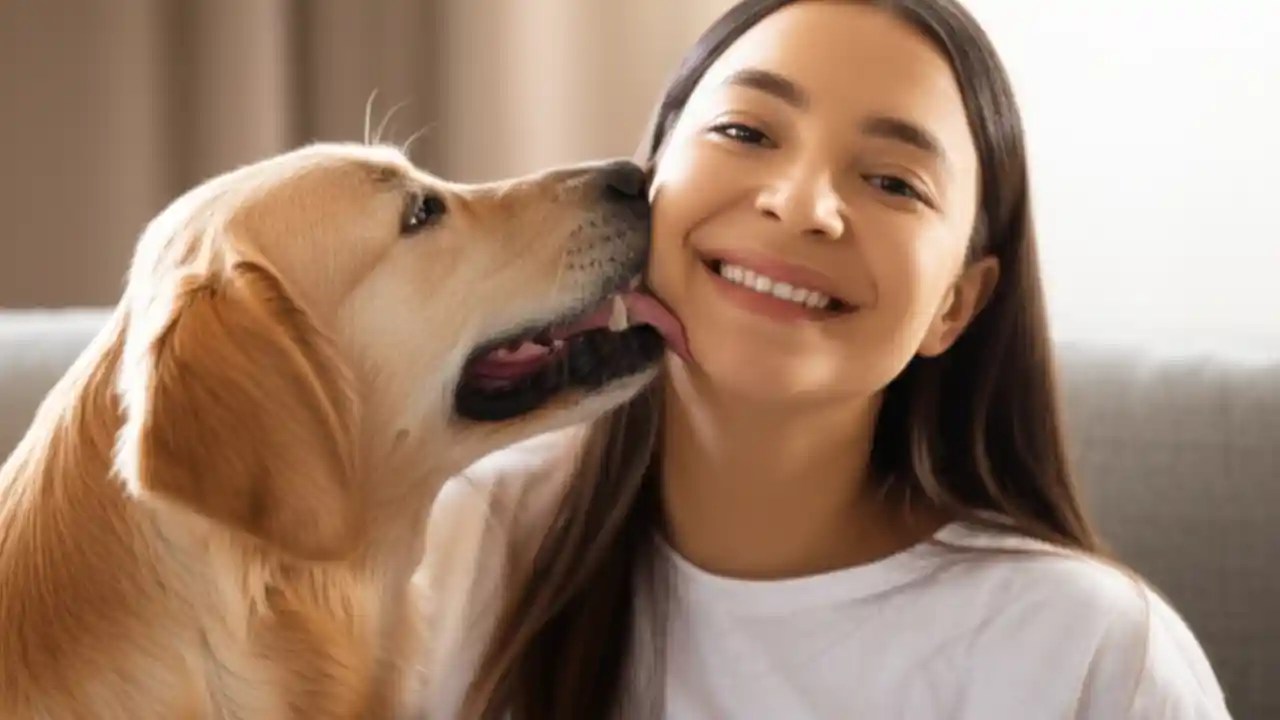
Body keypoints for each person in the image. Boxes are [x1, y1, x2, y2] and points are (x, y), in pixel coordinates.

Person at [413, 1, 1233, 718]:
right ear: (651, 179)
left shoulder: (1088, 654)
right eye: (745, 132)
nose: (802, 205)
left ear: (956, 304)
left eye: (894, 182)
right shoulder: (448, 544)